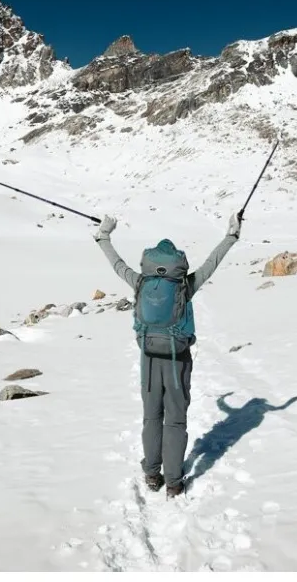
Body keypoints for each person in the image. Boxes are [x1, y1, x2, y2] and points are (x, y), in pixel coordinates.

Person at [93, 213, 242, 498]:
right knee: (175, 419)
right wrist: (231, 236)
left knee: (151, 416)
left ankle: (152, 474)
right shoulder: (184, 286)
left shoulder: (140, 283)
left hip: (149, 357)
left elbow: (117, 265)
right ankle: (173, 482)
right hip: (178, 360)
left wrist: (104, 236)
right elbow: (212, 262)